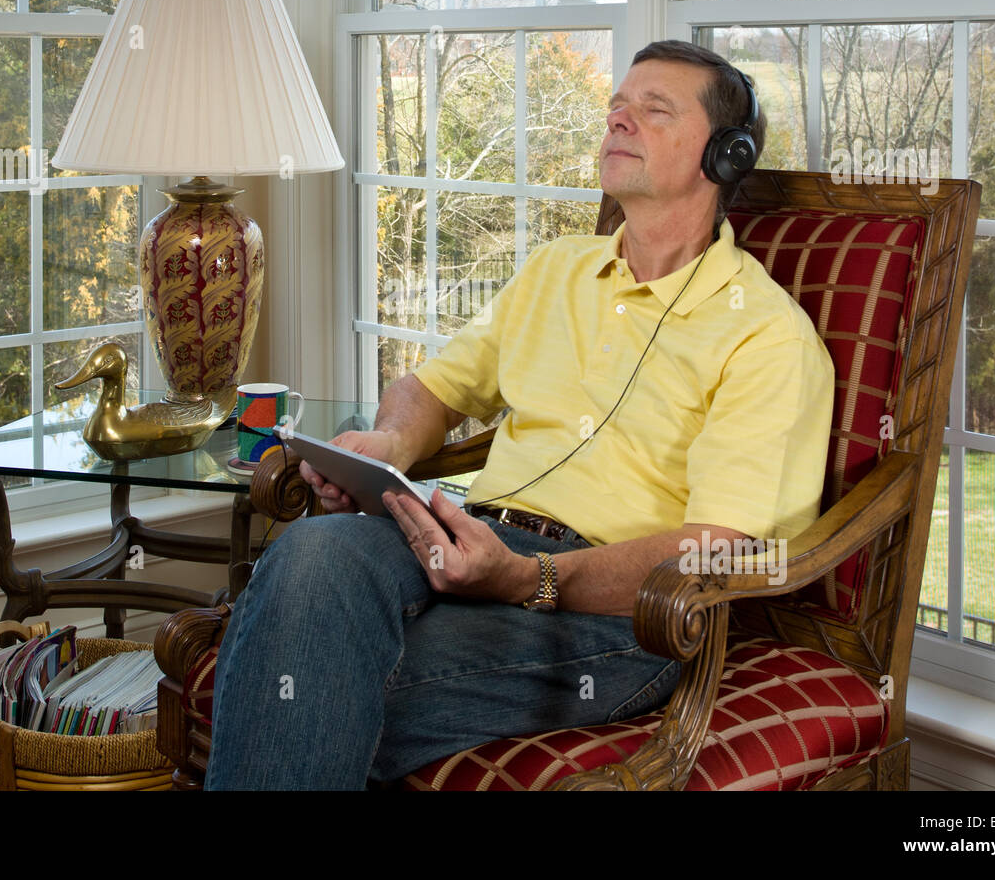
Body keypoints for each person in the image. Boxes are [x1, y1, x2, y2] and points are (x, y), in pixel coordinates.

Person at [204, 40, 835, 790]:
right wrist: (391, 444)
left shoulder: (766, 334)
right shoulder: (557, 269)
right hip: (466, 544)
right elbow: (434, 387)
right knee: (313, 554)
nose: (619, 120)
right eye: (617, 106)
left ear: (724, 155)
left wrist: (526, 578)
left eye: (654, 110)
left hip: (621, 616)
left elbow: (715, 550)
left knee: (298, 667)